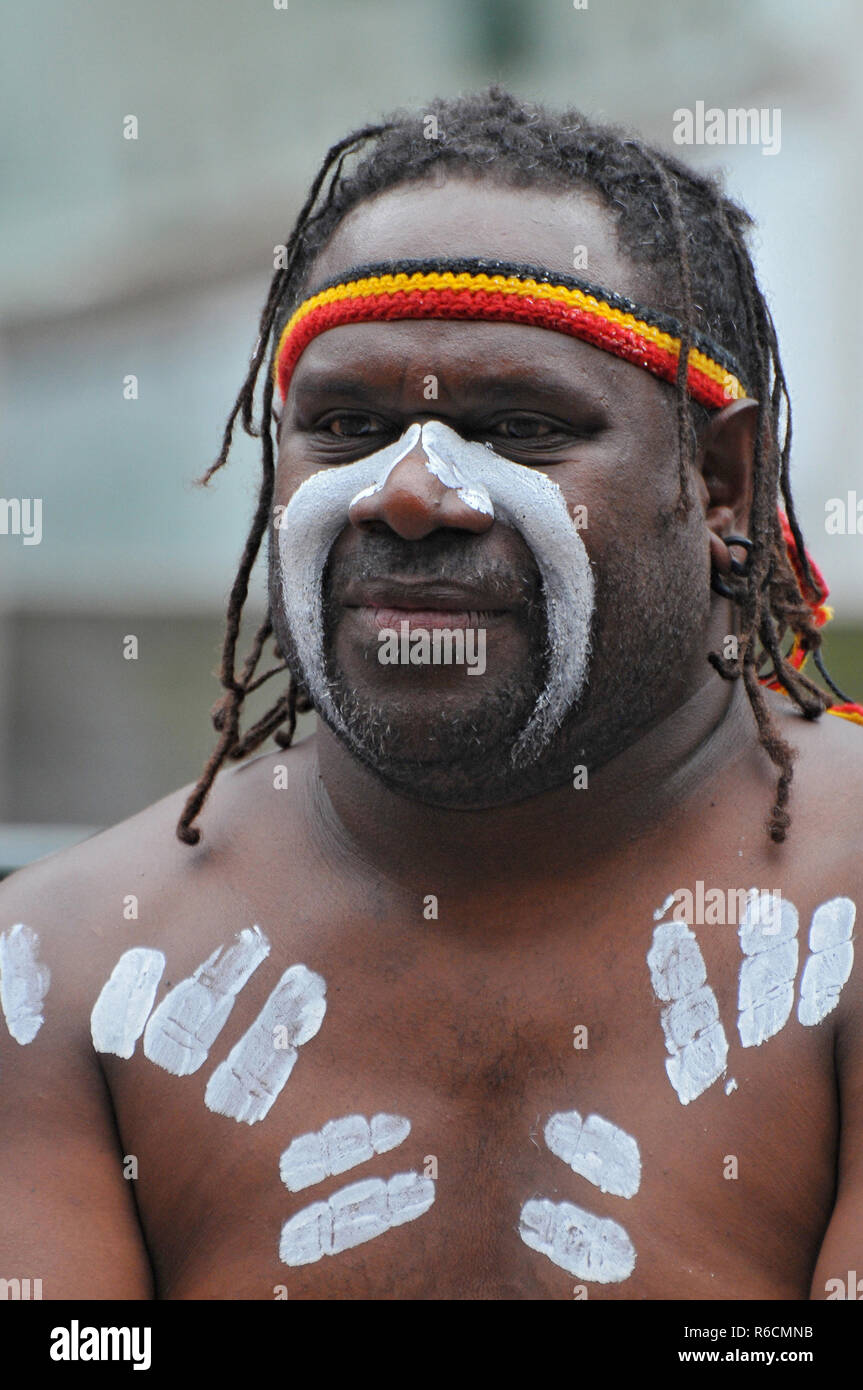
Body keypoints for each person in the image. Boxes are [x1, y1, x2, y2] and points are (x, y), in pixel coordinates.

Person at [1, 88, 861, 1301]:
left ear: (719, 483)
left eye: (517, 425)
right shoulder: (63, 971)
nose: (408, 494)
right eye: (345, 424)